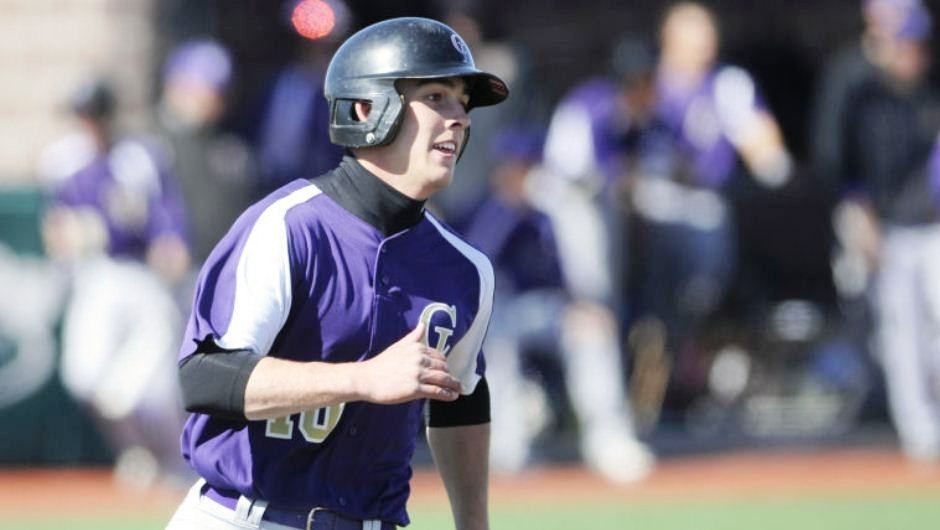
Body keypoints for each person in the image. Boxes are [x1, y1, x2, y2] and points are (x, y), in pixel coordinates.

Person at [164, 17, 508, 530]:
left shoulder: (466, 268)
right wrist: (361, 379)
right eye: (437, 97)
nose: (459, 118)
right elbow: (204, 376)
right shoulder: (288, 226)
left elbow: (460, 399)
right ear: (367, 108)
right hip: (241, 517)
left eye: (463, 101)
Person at [462, 126, 653, 483]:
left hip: (550, 310)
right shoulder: (488, 208)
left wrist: (585, 305)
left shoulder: (555, 208)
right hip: (498, 311)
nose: (520, 174)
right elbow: (475, 267)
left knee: (593, 330)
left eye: (527, 165)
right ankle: (507, 449)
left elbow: (580, 273)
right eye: (514, 166)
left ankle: (608, 442)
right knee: (491, 337)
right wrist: (508, 211)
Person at [38, 78, 192, 487]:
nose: (90, 124)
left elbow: (166, 215)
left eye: (95, 114)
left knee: (157, 390)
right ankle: (137, 453)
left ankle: (179, 465)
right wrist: (67, 239)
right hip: (95, 275)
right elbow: (55, 225)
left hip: (139, 273)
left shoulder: (138, 155)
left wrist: (170, 243)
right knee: (84, 375)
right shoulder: (62, 160)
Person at [834, 3, 940, 464]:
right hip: (890, 231)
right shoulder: (863, 98)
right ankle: (920, 433)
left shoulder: (933, 97)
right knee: (901, 334)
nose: (912, 54)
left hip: (934, 227)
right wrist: (861, 221)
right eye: (904, 44)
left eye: (918, 45)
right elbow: (845, 168)